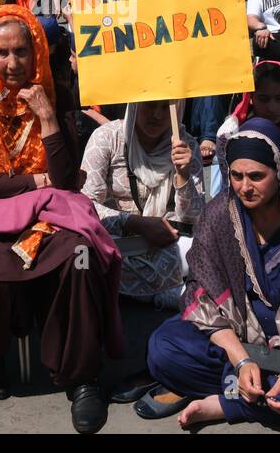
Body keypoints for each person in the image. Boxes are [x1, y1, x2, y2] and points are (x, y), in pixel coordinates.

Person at [0, 5, 123, 434]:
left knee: (79, 257)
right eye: (2, 52)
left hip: (56, 213)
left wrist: (46, 116)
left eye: (21, 51)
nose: (12, 63)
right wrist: (38, 182)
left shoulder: (58, 92)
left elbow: (66, 180)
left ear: (36, 51)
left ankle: (82, 376)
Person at [142, 118, 280, 429]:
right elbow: (201, 294)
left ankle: (227, 403)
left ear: (279, 174)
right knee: (163, 349)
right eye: (236, 176)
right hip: (233, 341)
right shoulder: (218, 215)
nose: (244, 187)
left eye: (256, 176)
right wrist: (243, 360)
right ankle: (257, 392)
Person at [80, 100, 203, 307]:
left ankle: (140, 292)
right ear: (135, 105)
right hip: (115, 242)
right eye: (149, 105)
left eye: (165, 107)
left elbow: (194, 219)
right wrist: (134, 223)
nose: (156, 115)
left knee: (204, 249)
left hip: (165, 243)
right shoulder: (108, 138)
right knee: (81, 255)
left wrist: (183, 177)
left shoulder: (186, 146)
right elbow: (85, 206)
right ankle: (170, 293)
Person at [216, 60, 280, 202]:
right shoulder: (229, 134)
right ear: (251, 98)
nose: (272, 107)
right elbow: (228, 187)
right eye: (263, 99)